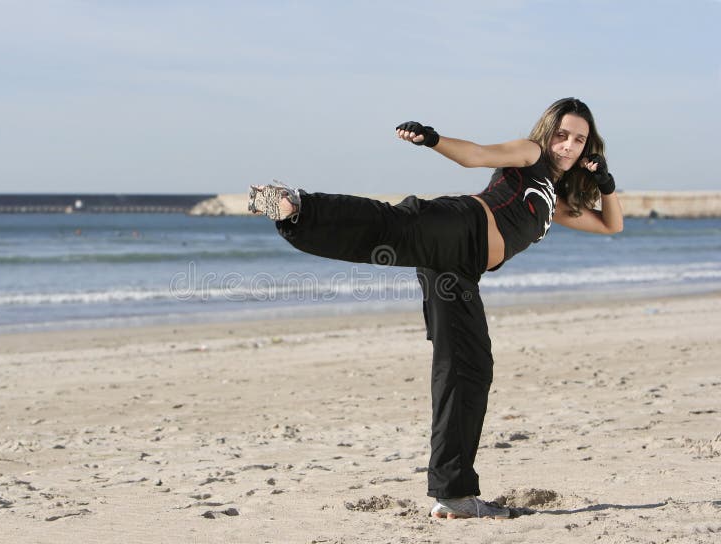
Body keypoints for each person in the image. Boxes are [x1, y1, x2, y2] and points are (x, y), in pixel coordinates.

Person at [248, 97, 623, 519]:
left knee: (468, 368)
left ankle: (455, 494)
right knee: (393, 226)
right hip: (460, 227)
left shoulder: (558, 201)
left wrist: (606, 185)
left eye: (579, 139)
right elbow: (477, 155)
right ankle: (298, 207)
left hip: (459, 273)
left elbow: (612, 224)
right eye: (562, 134)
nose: (568, 145)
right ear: (547, 132)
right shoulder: (530, 154)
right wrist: (433, 139)